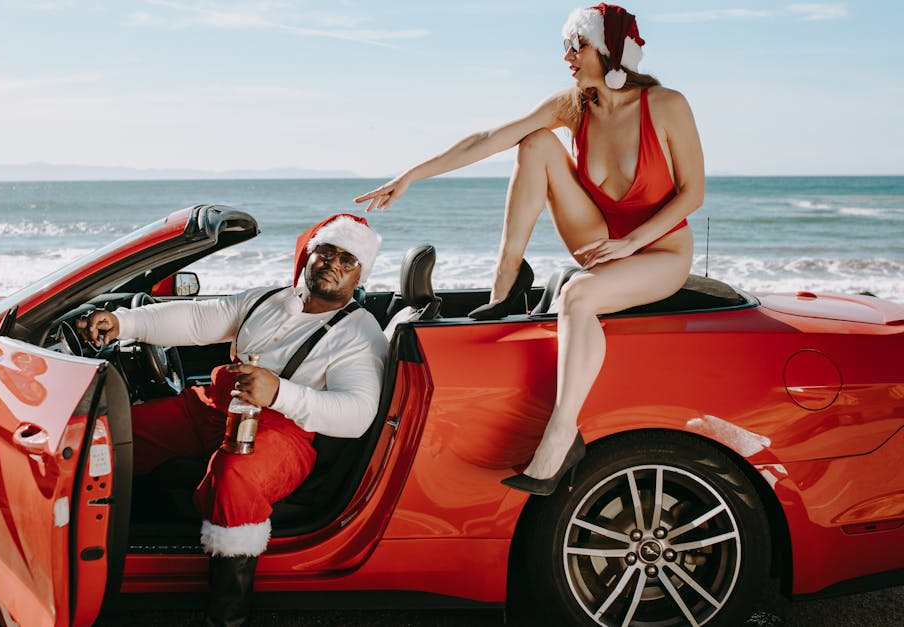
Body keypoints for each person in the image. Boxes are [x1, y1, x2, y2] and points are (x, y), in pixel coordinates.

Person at [354, 4, 703, 495]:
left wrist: (633, 241)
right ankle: (506, 284)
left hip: (660, 253)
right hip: (603, 244)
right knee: (534, 142)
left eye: (577, 46)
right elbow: (490, 138)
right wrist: (411, 175)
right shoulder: (572, 104)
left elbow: (693, 193)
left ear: (610, 49)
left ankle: (562, 436)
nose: (568, 57)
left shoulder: (667, 105)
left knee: (578, 296)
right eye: (567, 47)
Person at [78, 214, 389, 626]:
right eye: (326, 252)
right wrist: (124, 322)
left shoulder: (360, 333)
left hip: (285, 432)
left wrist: (280, 392)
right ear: (309, 256)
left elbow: (358, 415)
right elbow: (196, 319)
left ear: (358, 274)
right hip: (213, 408)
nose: (332, 263)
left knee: (234, 475)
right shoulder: (267, 300)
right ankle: (93, 545)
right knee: (112, 436)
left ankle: (228, 613)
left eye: (346, 259)